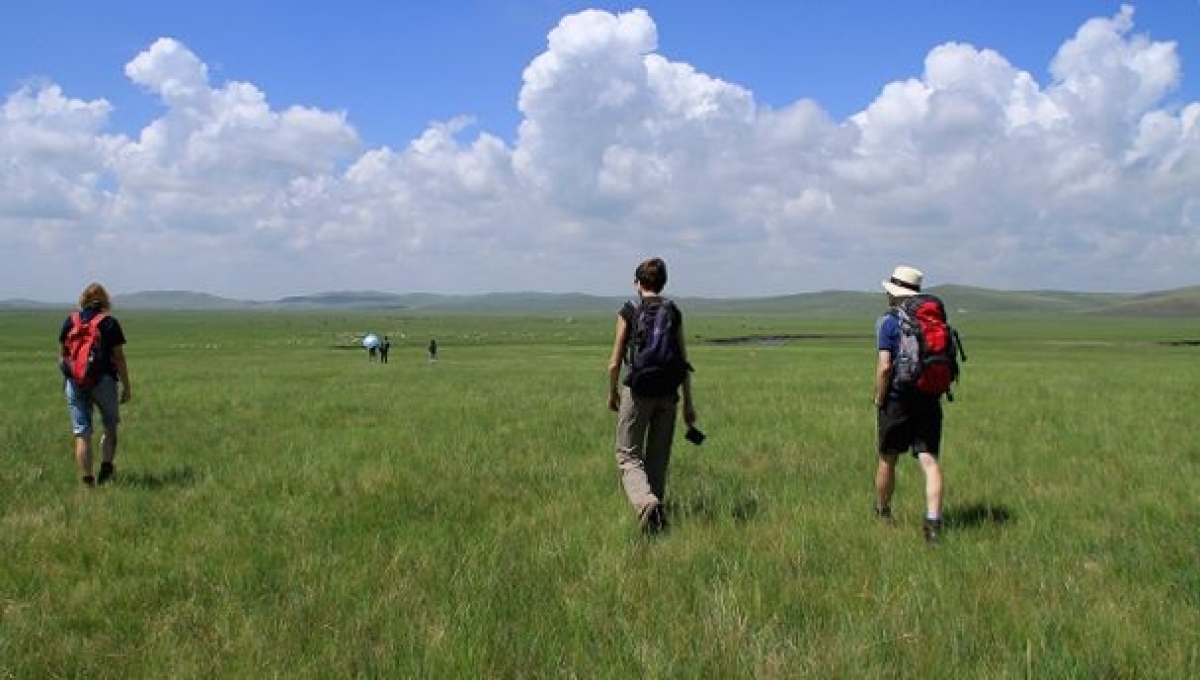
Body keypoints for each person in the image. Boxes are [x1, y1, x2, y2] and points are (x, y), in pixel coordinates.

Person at [607, 257, 697, 534]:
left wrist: (612, 392)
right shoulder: (673, 311)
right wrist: (688, 403)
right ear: (663, 282)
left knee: (627, 455)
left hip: (638, 391)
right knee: (658, 458)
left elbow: (614, 362)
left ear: (637, 282)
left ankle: (646, 504)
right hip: (668, 393)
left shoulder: (629, 311)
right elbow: (683, 360)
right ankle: (655, 520)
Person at [873, 265, 945, 543]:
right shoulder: (933, 320)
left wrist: (880, 397)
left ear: (894, 293)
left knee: (887, 458)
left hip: (897, 399)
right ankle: (933, 524)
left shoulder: (888, 322)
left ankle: (883, 513)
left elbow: (884, 366)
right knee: (929, 461)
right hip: (929, 397)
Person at [59, 283, 131, 487]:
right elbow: (119, 358)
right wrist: (126, 386)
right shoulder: (109, 323)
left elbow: (63, 355)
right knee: (110, 426)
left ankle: (87, 481)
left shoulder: (70, 321)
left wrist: (69, 377)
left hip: (74, 382)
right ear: (105, 301)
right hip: (104, 380)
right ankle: (106, 470)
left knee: (82, 432)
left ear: (83, 300)